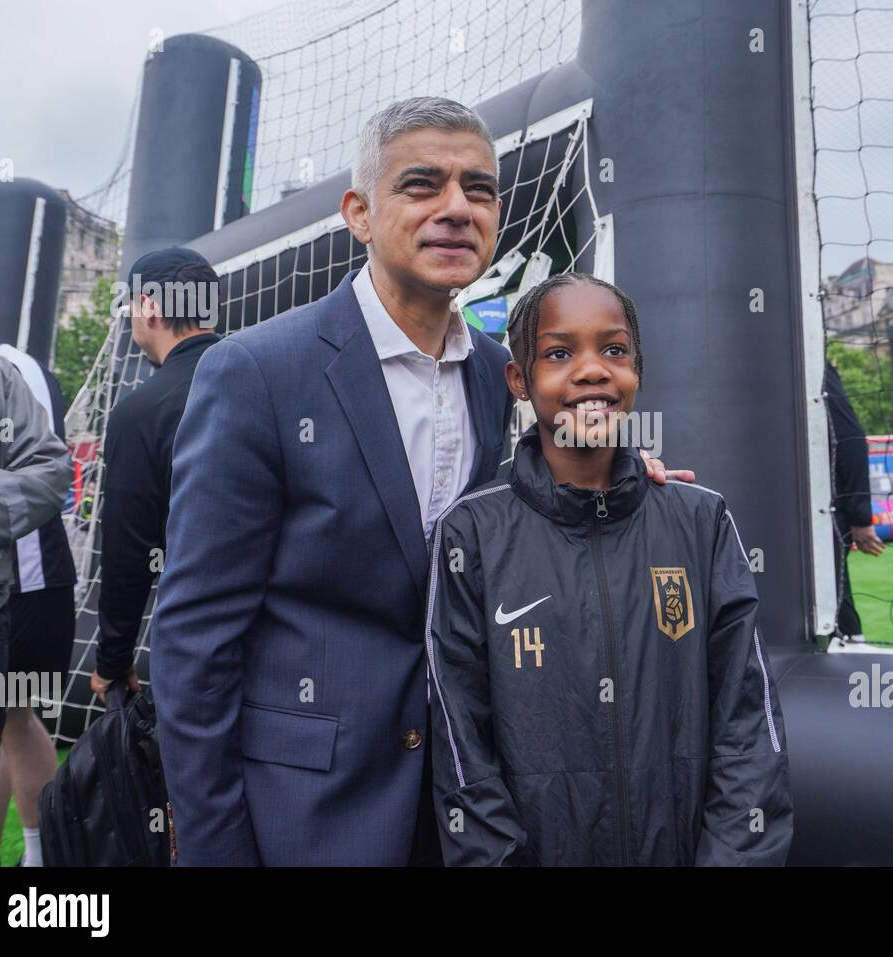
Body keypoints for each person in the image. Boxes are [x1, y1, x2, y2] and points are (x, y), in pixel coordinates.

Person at [150, 97, 687, 867]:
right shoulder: (256, 372)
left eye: (478, 189)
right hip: (303, 809)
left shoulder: (501, 373)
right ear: (360, 214)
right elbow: (194, 640)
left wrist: (630, 482)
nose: (456, 209)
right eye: (422, 185)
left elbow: (548, 486)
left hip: (466, 805)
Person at [426, 273, 792, 865]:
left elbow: (747, 723)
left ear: (637, 371)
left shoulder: (700, 521)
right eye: (559, 353)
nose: (592, 370)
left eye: (614, 350)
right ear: (520, 379)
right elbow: (460, 741)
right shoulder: (471, 534)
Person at [0, 269, 78, 867]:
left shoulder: (0, 372)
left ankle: (35, 855)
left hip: (1, 600)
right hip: (16, 591)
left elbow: (49, 471)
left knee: (12, 718)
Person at [88, 247, 222, 700]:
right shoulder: (274, 378)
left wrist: (112, 659)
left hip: (202, 648)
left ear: (148, 306)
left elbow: (128, 553)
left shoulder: (141, 412)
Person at [824, 360, 883, 644]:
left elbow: (851, 439)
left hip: (823, 515)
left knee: (830, 597)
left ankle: (851, 648)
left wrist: (860, 517)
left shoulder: (811, 367)